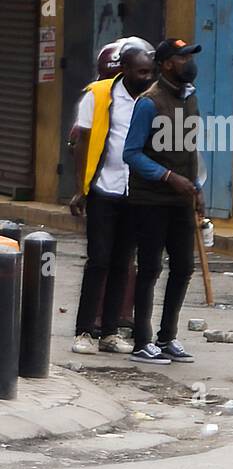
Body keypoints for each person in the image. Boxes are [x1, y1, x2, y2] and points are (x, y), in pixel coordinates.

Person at [121, 38, 204, 365]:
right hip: (151, 199)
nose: (189, 62)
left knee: (183, 267)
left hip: (182, 199)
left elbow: (191, 149)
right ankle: (143, 341)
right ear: (168, 63)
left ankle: (167, 337)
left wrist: (197, 189)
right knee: (151, 268)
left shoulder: (190, 97)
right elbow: (131, 153)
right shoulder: (149, 103)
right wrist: (168, 177)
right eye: (183, 57)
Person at [69, 38, 154, 355]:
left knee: (123, 263)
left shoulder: (151, 99)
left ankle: (109, 332)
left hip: (136, 193)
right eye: (140, 72)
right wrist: (80, 189)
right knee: (99, 261)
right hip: (103, 189)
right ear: (125, 70)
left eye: (149, 72)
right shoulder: (99, 94)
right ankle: (83, 332)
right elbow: (82, 141)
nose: (146, 77)